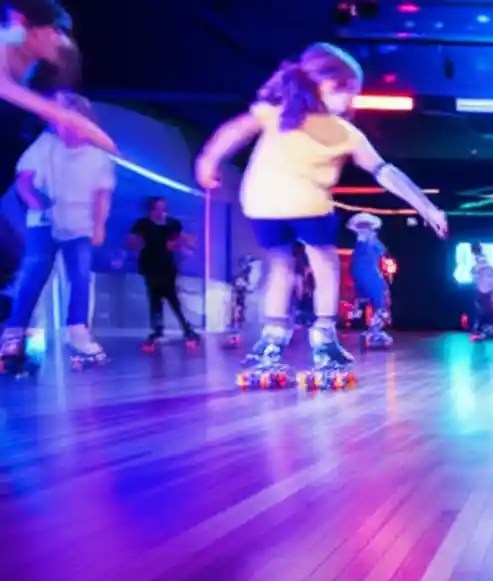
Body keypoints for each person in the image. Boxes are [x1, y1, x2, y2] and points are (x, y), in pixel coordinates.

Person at [195, 42, 448, 381]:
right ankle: (325, 338)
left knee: (280, 265)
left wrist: (208, 161)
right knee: (325, 262)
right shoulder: (346, 134)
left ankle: (271, 340)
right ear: (328, 85)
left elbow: (232, 132)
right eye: (350, 94)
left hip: (260, 202)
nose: (351, 103)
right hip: (306, 204)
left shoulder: (277, 112)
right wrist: (427, 208)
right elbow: (385, 172)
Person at [0, 92, 113, 369]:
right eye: (61, 121)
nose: (65, 127)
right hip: (44, 222)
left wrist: (99, 225)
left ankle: (78, 331)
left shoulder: (97, 155)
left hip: (79, 224)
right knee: (34, 271)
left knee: (80, 276)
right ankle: (14, 334)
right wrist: (37, 203)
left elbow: (102, 194)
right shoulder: (45, 144)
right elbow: (24, 180)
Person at [0, 0, 114, 152]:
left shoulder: (47, 64)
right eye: (56, 30)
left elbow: (59, 99)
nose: (61, 39)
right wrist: (71, 120)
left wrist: (69, 109)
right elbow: (7, 89)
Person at [128, 196, 198, 347]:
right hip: (149, 265)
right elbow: (131, 242)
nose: (161, 212)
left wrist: (183, 243)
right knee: (154, 297)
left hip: (166, 265)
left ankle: (185, 327)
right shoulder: (142, 224)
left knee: (172, 296)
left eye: (163, 208)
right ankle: (158, 329)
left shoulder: (172, 224)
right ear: (151, 210)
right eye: (157, 208)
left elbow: (178, 242)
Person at [346, 212, 393, 348]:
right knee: (372, 302)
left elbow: (381, 255)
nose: (364, 228)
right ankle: (372, 333)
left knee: (379, 303)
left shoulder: (373, 242)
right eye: (361, 225)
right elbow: (355, 263)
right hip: (364, 275)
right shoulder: (361, 243)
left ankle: (375, 333)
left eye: (366, 225)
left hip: (372, 275)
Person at [469, 241, 493, 340]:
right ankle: (484, 330)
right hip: (483, 287)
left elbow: (489, 273)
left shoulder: (483, 261)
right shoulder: (476, 262)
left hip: (487, 287)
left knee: (491, 309)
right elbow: (475, 275)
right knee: (484, 309)